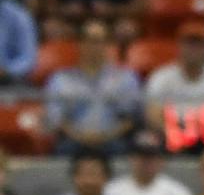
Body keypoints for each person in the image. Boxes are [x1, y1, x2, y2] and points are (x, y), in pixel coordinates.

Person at [43, 18, 142, 157]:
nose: (95, 46)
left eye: (100, 41)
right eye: (90, 40)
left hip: (113, 140)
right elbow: (56, 117)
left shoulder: (125, 78)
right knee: (62, 149)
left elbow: (131, 118)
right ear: (80, 44)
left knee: (127, 149)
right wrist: (80, 136)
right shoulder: (60, 79)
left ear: (108, 45)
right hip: (73, 140)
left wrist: (106, 136)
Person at [102, 130, 189, 195]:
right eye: (141, 156)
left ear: (162, 160)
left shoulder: (178, 194)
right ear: (131, 158)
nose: (146, 162)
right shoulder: (112, 191)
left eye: (152, 157)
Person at [35, 150, 122, 195]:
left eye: (95, 174)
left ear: (107, 178)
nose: (89, 181)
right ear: (73, 177)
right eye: (83, 174)